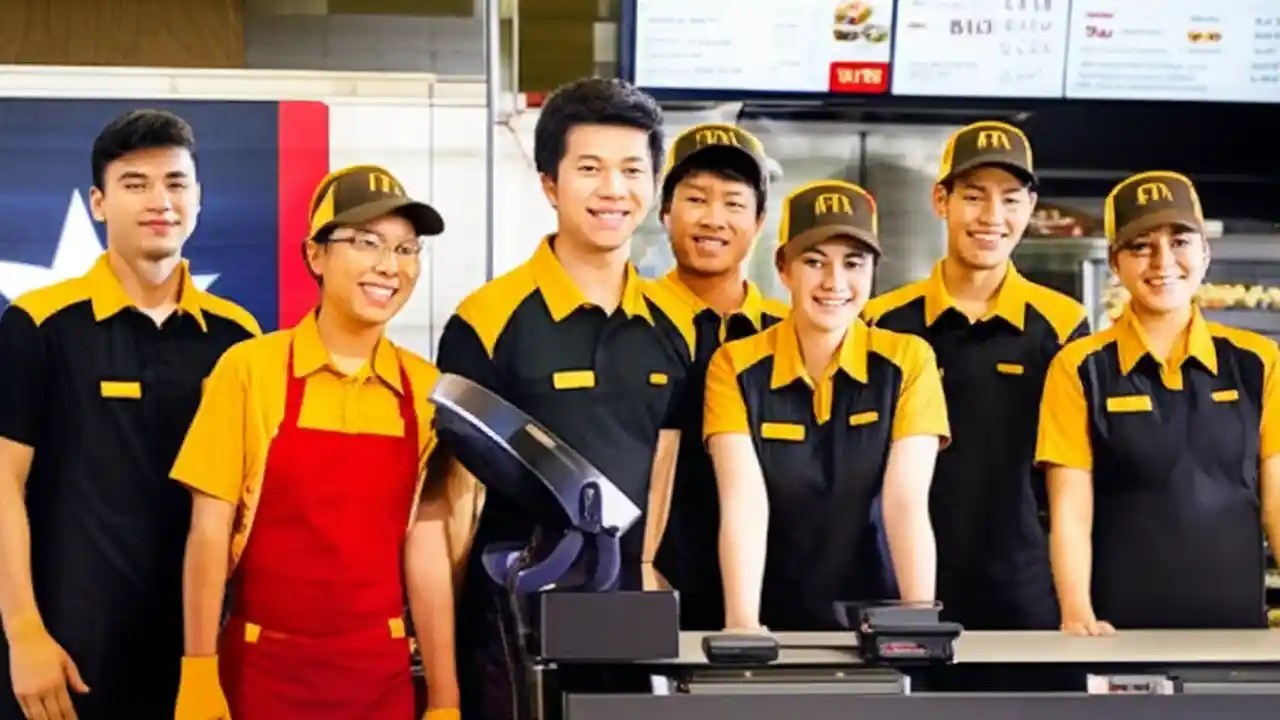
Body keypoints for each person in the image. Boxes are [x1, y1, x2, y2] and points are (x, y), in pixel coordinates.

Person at [422, 77, 691, 720]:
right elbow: (448, 510)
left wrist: (649, 577)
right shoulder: (486, 320)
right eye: (589, 169)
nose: (613, 189)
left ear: (653, 186)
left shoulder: (676, 326)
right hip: (512, 625)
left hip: (630, 626)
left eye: (632, 169)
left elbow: (665, 469)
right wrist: (443, 689)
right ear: (550, 184)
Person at [168, 165, 459, 719]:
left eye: (405, 248)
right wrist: (199, 670)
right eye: (366, 242)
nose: (388, 266)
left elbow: (426, 550)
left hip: (380, 679)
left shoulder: (424, 393)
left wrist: (445, 697)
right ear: (316, 255)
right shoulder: (251, 370)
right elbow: (208, 530)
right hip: (262, 676)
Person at [0, 109, 260, 720]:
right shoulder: (38, 325)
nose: (159, 201)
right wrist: (23, 632)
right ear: (98, 202)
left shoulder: (237, 336)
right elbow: (3, 485)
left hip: (196, 656)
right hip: (65, 655)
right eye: (134, 183)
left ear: (198, 198)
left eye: (175, 182)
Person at [861, 120, 1088, 631]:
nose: (992, 217)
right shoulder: (883, 321)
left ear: (1030, 208)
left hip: (1024, 589)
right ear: (941, 201)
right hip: (900, 584)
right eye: (974, 196)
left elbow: (1070, 479)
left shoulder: (1062, 325)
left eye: (1010, 199)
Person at [1037, 170, 1280, 634]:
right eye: (1141, 245)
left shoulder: (1258, 361)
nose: (1162, 261)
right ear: (1115, 263)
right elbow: (1070, 509)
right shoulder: (1080, 368)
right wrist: (1076, 612)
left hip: (1238, 632)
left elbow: (1278, 500)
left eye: (1180, 241)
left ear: (1205, 254)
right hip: (1117, 632)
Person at [704, 179, 948, 631]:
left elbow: (906, 501)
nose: (834, 283)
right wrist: (742, 626)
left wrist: (918, 620)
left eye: (853, 263)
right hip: (772, 613)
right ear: (783, 269)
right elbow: (743, 503)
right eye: (814, 262)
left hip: (880, 617)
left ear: (874, 269)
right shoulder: (735, 365)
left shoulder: (909, 360)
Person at [644, 122, 789, 632]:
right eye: (696, 199)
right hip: (647, 593)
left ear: (759, 220)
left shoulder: (788, 334)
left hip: (774, 594)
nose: (713, 219)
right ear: (665, 210)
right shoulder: (628, 323)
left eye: (733, 202)